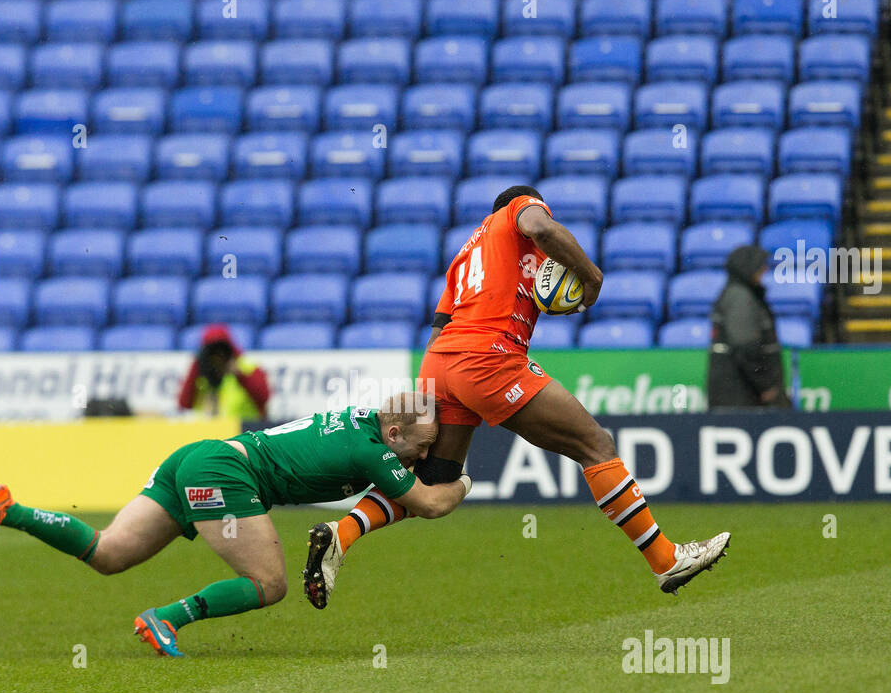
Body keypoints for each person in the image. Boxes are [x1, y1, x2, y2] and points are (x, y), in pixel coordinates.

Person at [301, 185, 731, 608]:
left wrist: (433, 396)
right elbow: (541, 228)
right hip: (487, 356)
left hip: (441, 361)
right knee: (596, 445)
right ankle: (665, 560)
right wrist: (592, 276)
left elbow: (438, 329)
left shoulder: (464, 257)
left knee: (432, 481)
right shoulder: (515, 212)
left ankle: (342, 533)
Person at [0, 395, 468, 657]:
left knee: (108, 554)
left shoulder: (361, 421)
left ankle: (5, 508)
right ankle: (166, 617)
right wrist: (463, 482)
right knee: (270, 584)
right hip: (224, 473)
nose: (423, 456)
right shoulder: (373, 452)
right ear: (393, 433)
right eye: (421, 447)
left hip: (197, 457)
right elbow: (428, 505)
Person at [706, 245, 791, 410]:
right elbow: (745, 347)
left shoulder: (738, 294)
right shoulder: (740, 297)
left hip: (735, 395)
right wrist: (766, 386)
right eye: (760, 265)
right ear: (747, 267)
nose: (765, 269)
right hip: (741, 397)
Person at [178, 324, 271, 420]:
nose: (217, 358)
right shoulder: (201, 372)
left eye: (221, 352)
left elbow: (263, 398)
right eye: (212, 353)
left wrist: (240, 376)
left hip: (243, 429)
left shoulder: (247, 368)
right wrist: (196, 368)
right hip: (210, 430)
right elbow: (184, 403)